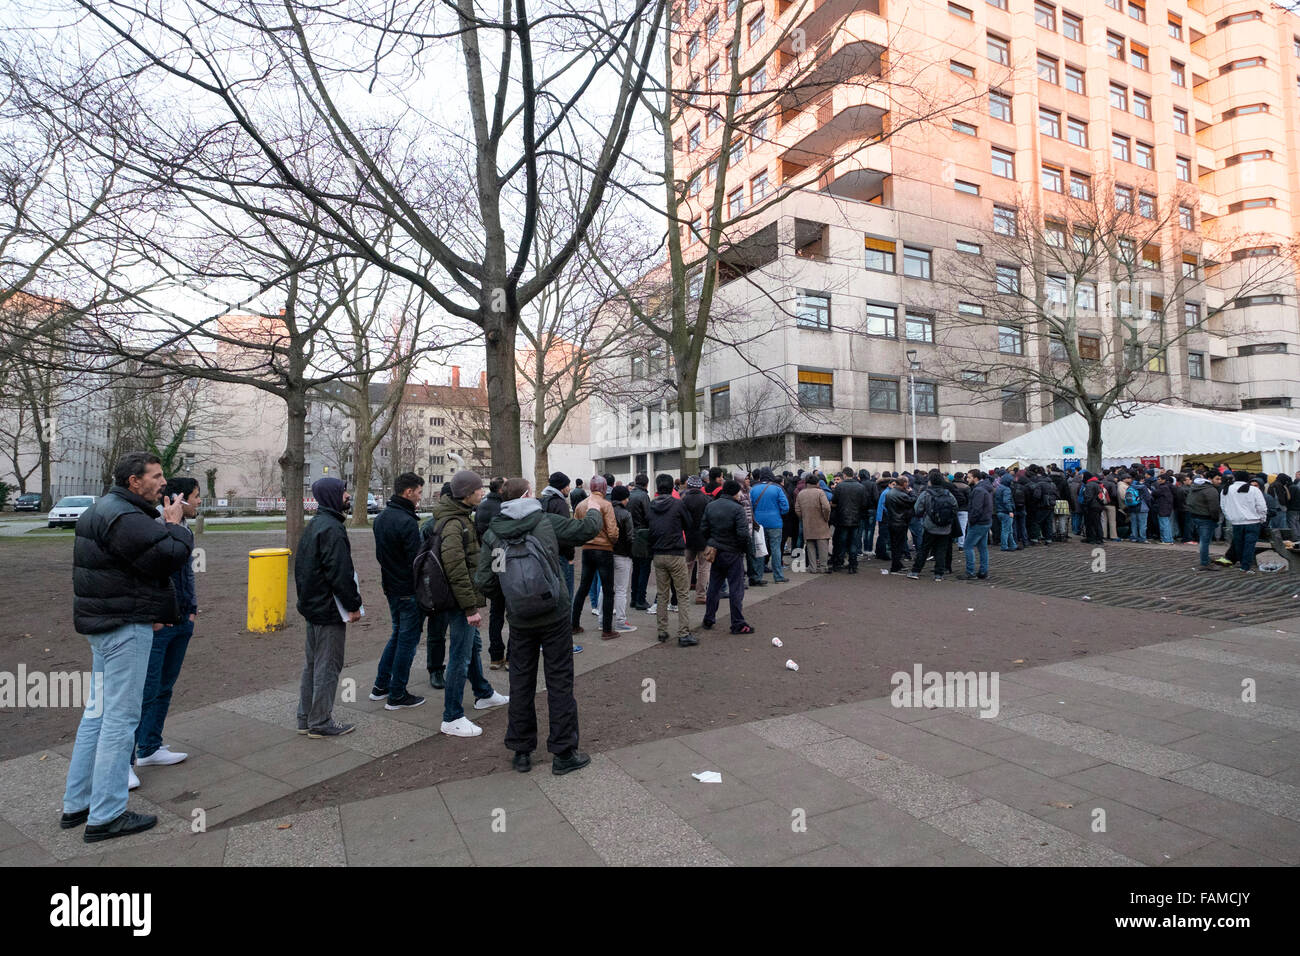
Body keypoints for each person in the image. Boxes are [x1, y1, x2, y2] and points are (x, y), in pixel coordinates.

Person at [63, 452, 193, 843]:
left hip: (103, 625)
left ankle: (77, 804)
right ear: (134, 481)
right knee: (120, 721)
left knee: (97, 716)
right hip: (125, 627)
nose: (163, 482)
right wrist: (177, 526)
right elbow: (169, 557)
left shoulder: (103, 509)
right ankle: (106, 814)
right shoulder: (127, 517)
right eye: (156, 476)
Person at [476, 477, 602, 774]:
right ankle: (563, 753)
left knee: (521, 681)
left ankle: (522, 751)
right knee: (559, 680)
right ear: (528, 494)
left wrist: (510, 597)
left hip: (520, 619)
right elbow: (586, 530)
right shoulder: (545, 522)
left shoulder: (495, 535)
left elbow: (485, 580)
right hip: (554, 612)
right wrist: (594, 507)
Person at [427, 470, 508, 737]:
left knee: (472, 648)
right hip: (459, 602)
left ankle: (483, 693)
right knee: (460, 658)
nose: (482, 492)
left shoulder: (460, 518)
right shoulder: (454, 523)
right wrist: (470, 608)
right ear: (466, 494)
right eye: (477, 489)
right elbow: (456, 570)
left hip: (459, 599)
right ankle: (452, 716)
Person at [134, 475, 201, 769]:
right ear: (179, 500)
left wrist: (192, 609)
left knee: (164, 687)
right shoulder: (156, 528)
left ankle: (150, 747)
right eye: (196, 496)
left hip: (181, 620)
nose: (200, 501)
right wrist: (154, 618)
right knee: (145, 692)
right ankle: (124, 763)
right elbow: (149, 577)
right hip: (160, 625)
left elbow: (186, 573)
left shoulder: (184, 529)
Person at [295, 476, 363, 739]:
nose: (348, 496)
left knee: (312, 664)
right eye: (344, 492)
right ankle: (321, 721)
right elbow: (340, 572)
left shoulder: (316, 525)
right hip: (328, 608)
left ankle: (306, 717)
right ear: (332, 496)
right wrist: (353, 605)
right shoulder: (332, 529)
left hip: (314, 607)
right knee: (328, 665)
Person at [369, 472, 427, 710]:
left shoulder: (382, 518)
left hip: (392, 586)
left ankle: (381, 686)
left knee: (397, 634)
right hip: (407, 589)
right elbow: (417, 561)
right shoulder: (406, 521)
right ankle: (397, 694)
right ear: (409, 492)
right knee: (407, 640)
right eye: (419, 493)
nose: (420, 497)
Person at [700, 479, 754, 634]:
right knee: (736, 588)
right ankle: (737, 622)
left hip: (716, 551)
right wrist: (744, 549)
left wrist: (712, 542)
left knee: (714, 586)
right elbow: (743, 534)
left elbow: (703, 528)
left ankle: (709, 617)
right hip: (733, 552)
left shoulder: (711, 506)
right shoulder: (738, 509)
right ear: (735, 492)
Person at [647, 473, 695, 644]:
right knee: (682, 593)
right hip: (675, 552)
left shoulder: (652, 505)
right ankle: (683, 633)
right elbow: (688, 524)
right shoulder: (678, 504)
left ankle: (662, 631)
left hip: (658, 554)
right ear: (671, 487)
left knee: (662, 594)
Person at [572, 475, 620, 639]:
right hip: (604, 549)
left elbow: (576, 528)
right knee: (608, 590)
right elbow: (613, 531)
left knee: (583, 587)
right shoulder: (606, 504)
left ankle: (574, 624)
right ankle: (607, 629)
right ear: (603, 488)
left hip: (587, 549)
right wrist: (613, 541)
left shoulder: (581, 505)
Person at [539, 471, 582, 653]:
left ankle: (544, 641)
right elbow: (566, 534)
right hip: (560, 556)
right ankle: (565, 642)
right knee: (565, 599)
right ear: (561, 487)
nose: (569, 489)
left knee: (547, 598)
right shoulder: (560, 505)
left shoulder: (541, 502)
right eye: (567, 485)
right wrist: (570, 555)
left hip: (543, 556)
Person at [474, 477, 508, 668]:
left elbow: (479, 530)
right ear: (502, 490)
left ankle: (495, 655)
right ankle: (511, 655)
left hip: (489, 556)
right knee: (511, 610)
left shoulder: (482, 506)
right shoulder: (503, 508)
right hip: (502, 556)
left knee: (496, 611)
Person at [910, 472, 958, 581]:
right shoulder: (948, 493)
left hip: (930, 526)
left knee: (924, 549)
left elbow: (917, 510)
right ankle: (939, 574)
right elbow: (955, 507)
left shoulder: (926, 494)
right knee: (941, 550)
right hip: (946, 527)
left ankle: (915, 571)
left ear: (930, 481)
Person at [1221, 474, 1269, 572]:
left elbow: (1223, 506)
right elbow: (1262, 507)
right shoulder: (1254, 490)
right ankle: (1245, 566)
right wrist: (1262, 518)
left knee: (1239, 544)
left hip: (1236, 522)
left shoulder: (1226, 490)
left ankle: (1243, 564)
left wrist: (1230, 517)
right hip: (1253, 521)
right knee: (1249, 545)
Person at [750, 468, 790, 582]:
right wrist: (778, 513)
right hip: (775, 522)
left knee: (760, 549)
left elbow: (749, 507)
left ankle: (758, 576)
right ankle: (778, 576)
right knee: (776, 549)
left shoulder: (753, 489)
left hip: (758, 524)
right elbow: (785, 507)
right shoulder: (777, 489)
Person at [609, 485, 637, 633]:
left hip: (607, 553)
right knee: (620, 590)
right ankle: (620, 621)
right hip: (623, 555)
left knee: (605, 589)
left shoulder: (605, 511)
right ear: (624, 499)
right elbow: (629, 537)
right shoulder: (625, 514)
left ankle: (603, 620)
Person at [680, 474, 712, 600]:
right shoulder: (707, 500)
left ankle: (684, 594)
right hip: (704, 538)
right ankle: (701, 595)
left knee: (687, 566)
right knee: (704, 568)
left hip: (688, 537)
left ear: (689, 485)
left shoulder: (683, 500)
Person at [828, 467, 866, 573]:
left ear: (844, 475)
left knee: (841, 542)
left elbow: (834, 502)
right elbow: (864, 504)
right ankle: (853, 565)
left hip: (842, 518)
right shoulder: (860, 487)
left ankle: (838, 563)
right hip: (855, 518)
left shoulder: (840, 486)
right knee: (853, 543)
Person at [959, 470, 993, 580]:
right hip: (986, 521)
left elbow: (977, 508)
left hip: (978, 522)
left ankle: (970, 572)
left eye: (969, 477)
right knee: (982, 547)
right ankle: (983, 571)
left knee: (968, 546)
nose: (967, 479)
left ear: (975, 478)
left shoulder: (978, 490)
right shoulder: (986, 488)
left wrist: (972, 520)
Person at [795, 475, 832, 573]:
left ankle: (813, 567)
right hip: (821, 523)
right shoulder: (820, 492)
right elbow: (827, 507)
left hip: (807, 523)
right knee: (823, 546)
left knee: (810, 546)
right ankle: (823, 567)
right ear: (817, 483)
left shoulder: (801, 494)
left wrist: (803, 518)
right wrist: (826, 518)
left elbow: (797, 509)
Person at [1186, 472, 1222, 569]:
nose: (1220, 481)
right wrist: (1216, 518)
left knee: (1204, 540)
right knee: (1204, 542)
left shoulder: (1195, 487)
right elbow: (1214, 508)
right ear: (1210, 479)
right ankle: (1205, 562)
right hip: (1206, 518)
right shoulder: (1211, 490)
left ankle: (1205, 558)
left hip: (1196, 516)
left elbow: (1189, 502)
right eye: (1217, 479)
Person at [628, 473, 653, 611]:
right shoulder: (644, 496)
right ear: (646, 484)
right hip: (643, 536)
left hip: (631, 535)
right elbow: (648, 516)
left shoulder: (630, 495)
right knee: (644, 568)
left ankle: (633, 598)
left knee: (636, 569)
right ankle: (640, 599)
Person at [883, 476, 917, 575]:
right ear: (904, 483)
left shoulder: (890, 492)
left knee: (895, 544)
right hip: (900, 522)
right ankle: (895, 567)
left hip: (893, 521)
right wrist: (911, 492)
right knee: (898, 545)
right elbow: (913, 500)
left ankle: (897, 564)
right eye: (907, 482)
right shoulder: (901, 494)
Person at [995, 473, 1017, 551]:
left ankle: (1013, 545)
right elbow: (1006, 501)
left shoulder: (999, 487)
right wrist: (1010, 510)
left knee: (1008, 529)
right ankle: (1004, 546)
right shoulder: (1007, 489)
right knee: (1006, 530)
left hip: (999, 511)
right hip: (1005, 512)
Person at [1153, 474, 1176, 544]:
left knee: (1164, 524)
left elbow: (1154, 493)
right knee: (1167, 524)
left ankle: (1166, 540)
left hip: (1163, 508)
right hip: (1168, 507)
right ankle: (1169, 539)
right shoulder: (1170, 486)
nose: (1158, 480)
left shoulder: (1163, 487)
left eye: (1159, 479)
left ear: (1164, 480)